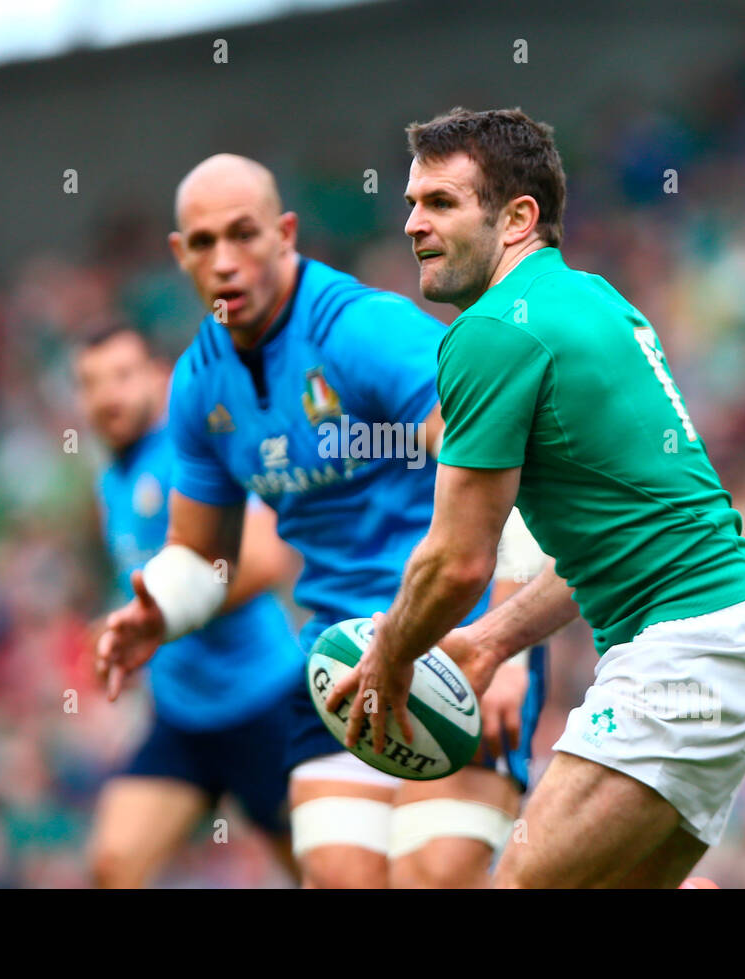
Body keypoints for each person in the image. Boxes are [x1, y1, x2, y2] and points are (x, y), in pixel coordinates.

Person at [330, 107, 745, 888]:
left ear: (518, 218)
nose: (413, 223)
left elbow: (455, 560)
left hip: (691, 649)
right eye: (412, 203)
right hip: (736, 638)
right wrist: (488, 642)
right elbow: (603, 550)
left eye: (441, 203)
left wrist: (391, 653)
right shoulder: (593, 300)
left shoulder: (491, 333)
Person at [95, 154, 546, 887]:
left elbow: (509, 470)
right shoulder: (196, 384)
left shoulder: (364, 332)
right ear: (180, 255)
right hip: (338, 655)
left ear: (285, 233)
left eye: (244, 234)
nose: (226, 260)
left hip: (452, 638)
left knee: (431, 876)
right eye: (204, 243)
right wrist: (162, 608)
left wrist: (509, 645)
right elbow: (199, 552)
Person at [76, 319, 302, 887]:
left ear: (159, 376)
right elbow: (142, 576)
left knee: (323, 875)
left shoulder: (190, 450)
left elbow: (265, 558)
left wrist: (163, 617)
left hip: (263, 703)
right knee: (113, 866)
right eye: (93, 383)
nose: (110, 396)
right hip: (182, 716)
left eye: (124, 376)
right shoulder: (111, 477)